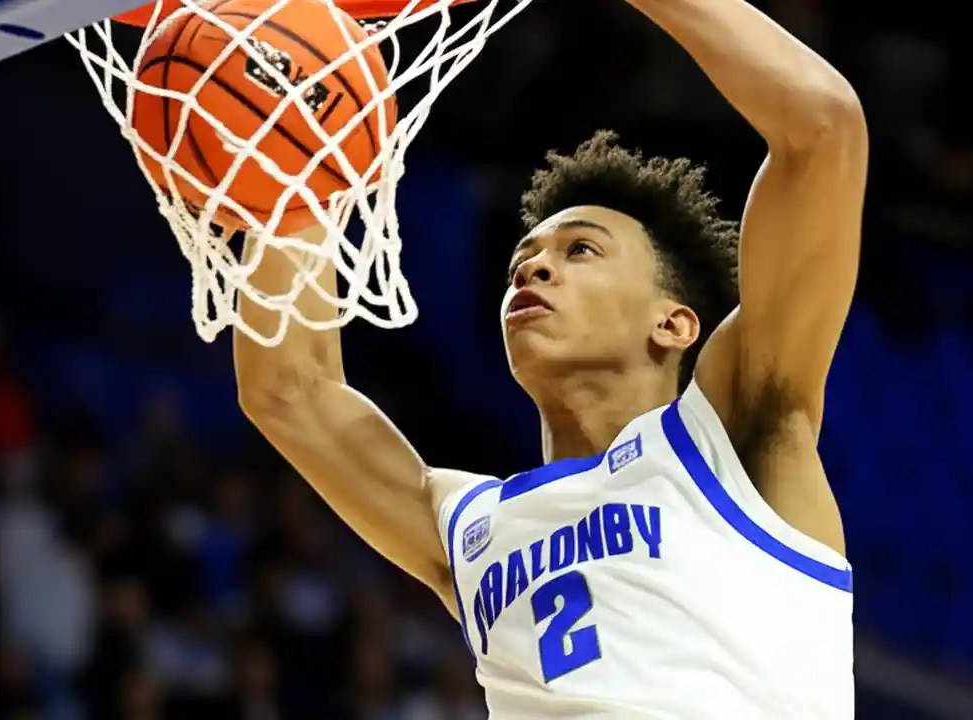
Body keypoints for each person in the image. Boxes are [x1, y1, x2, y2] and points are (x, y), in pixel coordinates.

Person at [234, 0, 867, 715]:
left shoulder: (733, 433)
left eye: (581, 251)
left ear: (674, 323)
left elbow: (823, 126)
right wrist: (289, 155)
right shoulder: (472, 528)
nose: (531, 271)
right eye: (522, 261)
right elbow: (288, 390)